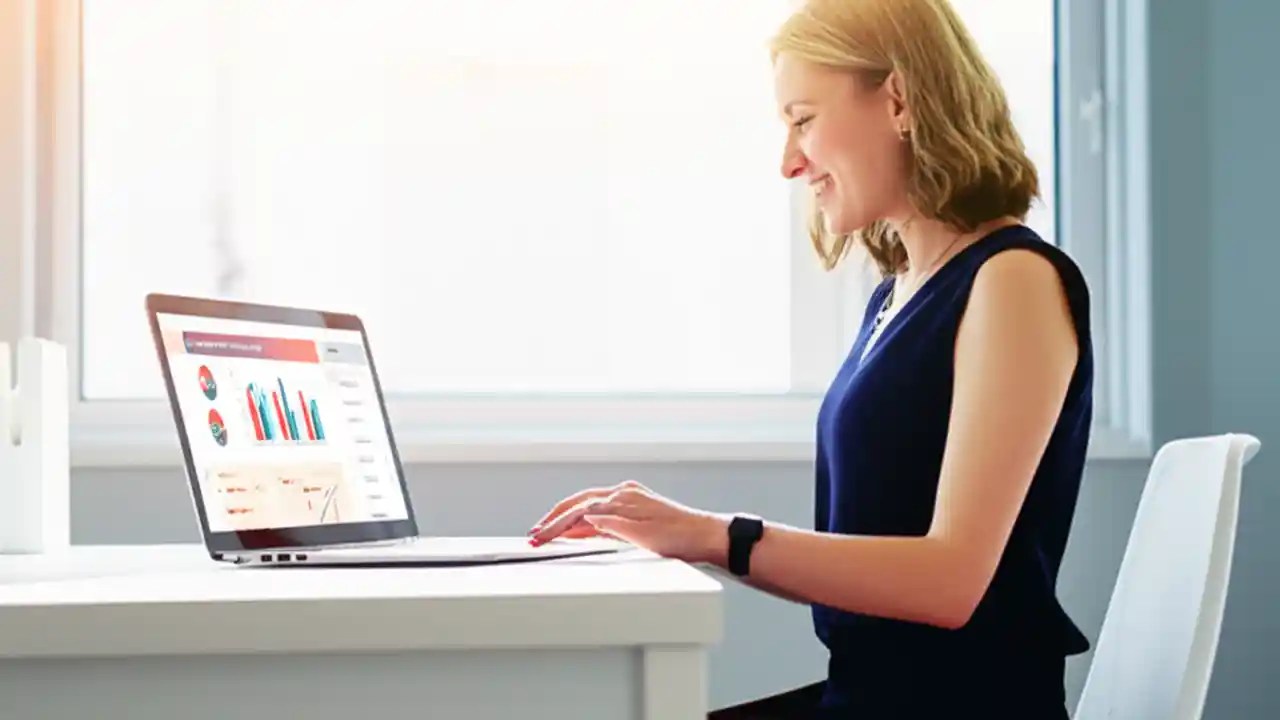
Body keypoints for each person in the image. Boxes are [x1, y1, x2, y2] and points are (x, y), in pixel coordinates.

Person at [527, 0, 1093, 716]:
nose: (790, 162)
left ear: (898, 100)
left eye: (802, 120)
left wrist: (712, 534)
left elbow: (950, 582)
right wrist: (684, 534)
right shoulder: (895, 298)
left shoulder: (1011, 281)